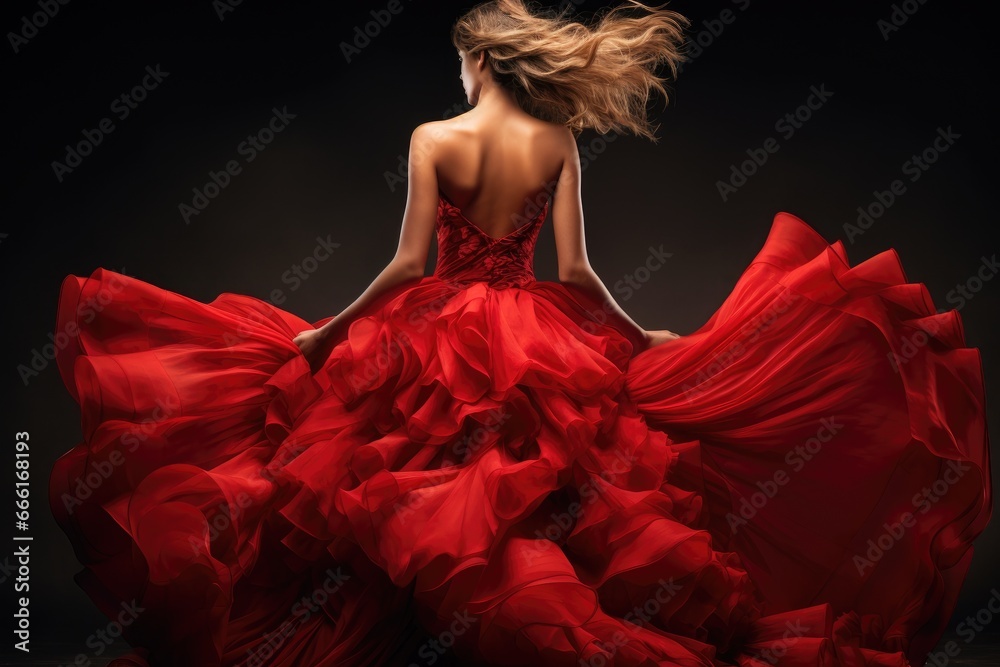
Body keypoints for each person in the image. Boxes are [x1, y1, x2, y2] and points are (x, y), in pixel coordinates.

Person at [53, 2, 990, 666]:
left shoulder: (433, 136)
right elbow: (575, 272)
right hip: (534, 330)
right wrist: (642, 334)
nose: (456, 74)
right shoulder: (556, 145)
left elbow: (412, 266)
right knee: (537, 492)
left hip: (435, 328)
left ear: (480, 61)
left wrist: (328, 333)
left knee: (402, 481)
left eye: (461, 61)